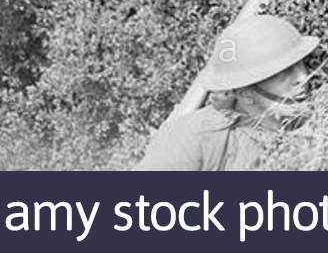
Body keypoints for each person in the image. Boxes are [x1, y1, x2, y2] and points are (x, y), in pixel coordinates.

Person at [136, 13, 318, 170]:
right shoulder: (195, 138)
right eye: (284, 73)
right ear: (244, 93)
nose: (303, 77)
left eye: (302, 64)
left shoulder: (320, 123)